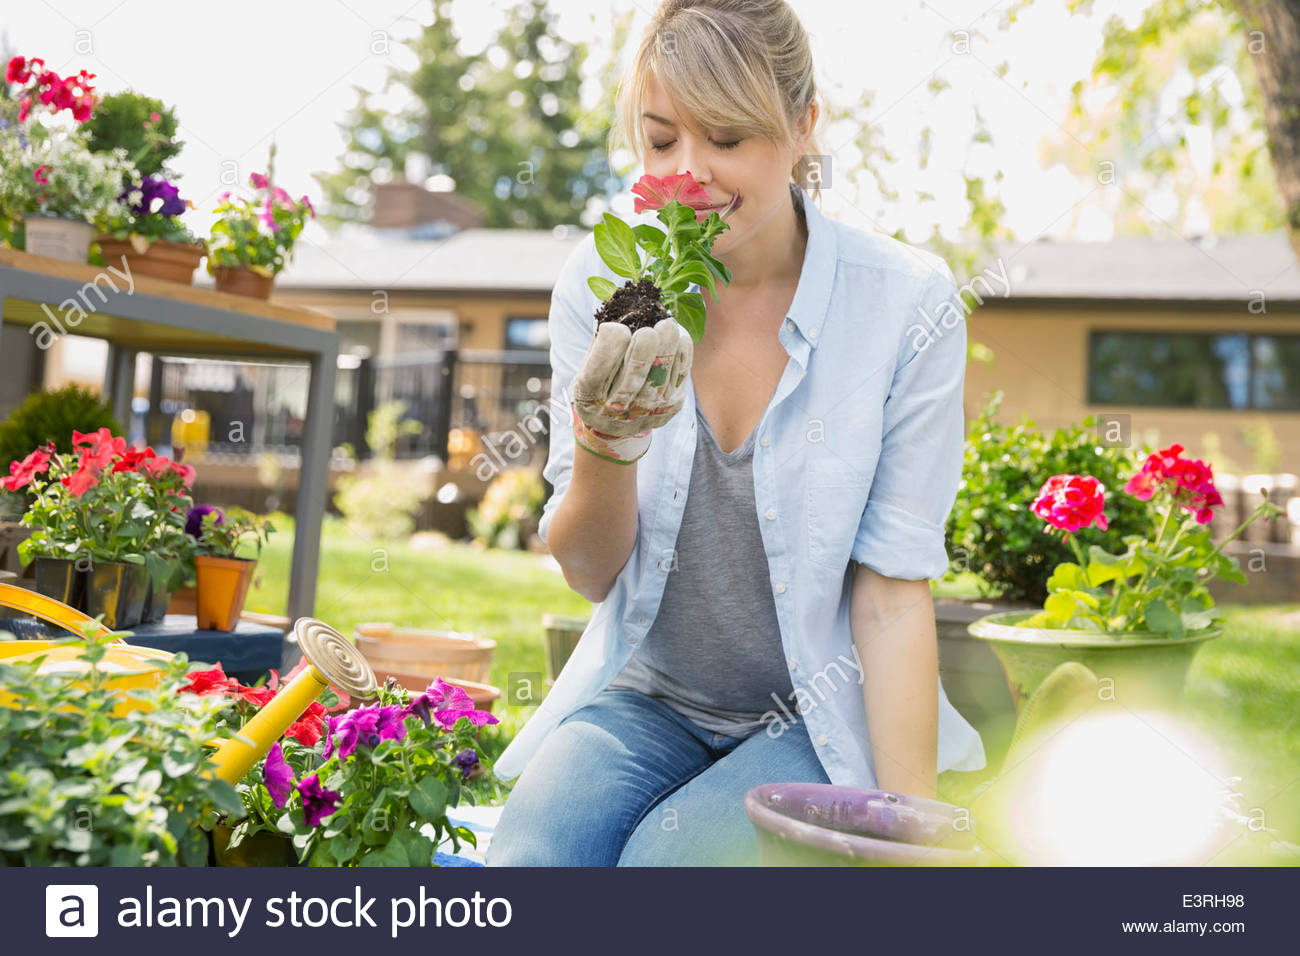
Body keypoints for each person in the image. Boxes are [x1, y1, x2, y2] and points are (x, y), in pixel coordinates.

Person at [485, 0, 985, 867]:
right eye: (661, 139)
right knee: (531, 864)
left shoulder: (905, 304)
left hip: (818, 712)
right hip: (650, 696)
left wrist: (907, 836)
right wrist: (607, 444)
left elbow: (893, 592)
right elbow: (585, 568)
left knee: (664, 874)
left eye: (727, 137)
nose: (691, 174)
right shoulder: (609, 279)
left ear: (802, 128)